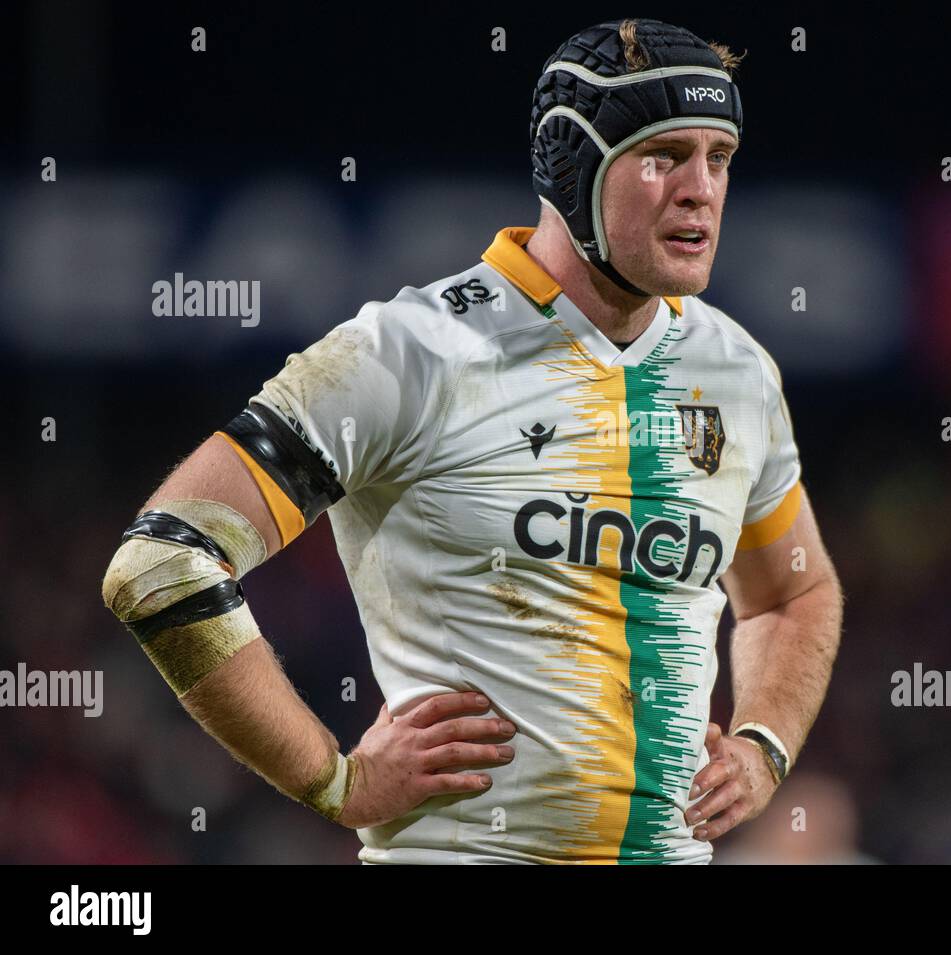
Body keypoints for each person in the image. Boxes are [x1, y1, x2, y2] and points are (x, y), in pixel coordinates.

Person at [101, 17, 843, 864]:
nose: (701, 189)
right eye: (663, 154)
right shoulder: (408, 352)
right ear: (572, 161)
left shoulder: (737, 369)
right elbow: (164, 563)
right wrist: (330, 778)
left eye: (719, 158)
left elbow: (793, 592)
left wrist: (765, 745)